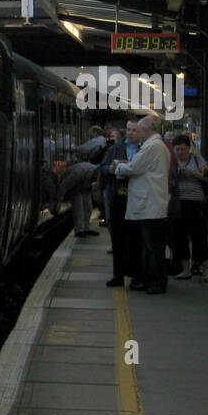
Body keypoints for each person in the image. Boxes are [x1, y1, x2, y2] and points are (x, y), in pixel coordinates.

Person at [115, 115, 172, 293]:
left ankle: (156, 281)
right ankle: (152, 279)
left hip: (149, 205)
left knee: (152, 247)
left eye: (138, 130)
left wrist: (118, 167)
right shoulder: (155, 146)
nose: (135, 133)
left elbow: (133, 168)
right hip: (150, 204)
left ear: (146, 130)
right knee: (151, 246)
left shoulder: (152, 146)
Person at [102, 119, 141, 286]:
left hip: (138, 198)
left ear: (141, 132)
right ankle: (118, 276)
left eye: (134, 130)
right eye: (129, 129)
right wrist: (111, 169)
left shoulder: (144, 149)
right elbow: (102, 168)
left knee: (136, 240)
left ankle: (136, 275)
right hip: (118, 198)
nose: (131, 133)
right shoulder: (115, 149)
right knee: (118, 240)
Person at [170, 133, 208, 278]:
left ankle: (205, 268)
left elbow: (207, 177)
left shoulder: (197, 159)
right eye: (177, 149)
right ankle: (185, 269)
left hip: (195, 202)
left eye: (182, 149)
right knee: (179, 237)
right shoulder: (172, 162)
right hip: (178, 203)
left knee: (199, 236)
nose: (180, 152)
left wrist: (192, 173)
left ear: (189, 149)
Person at [57, 159, 101, 237]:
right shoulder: (77, 174)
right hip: (74, 188)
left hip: (84, 186)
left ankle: (86, 228)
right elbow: (64, 186)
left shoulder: (95, 172)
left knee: (88, 207)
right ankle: (79, 230)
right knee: (79, 208)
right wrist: (58, 201)